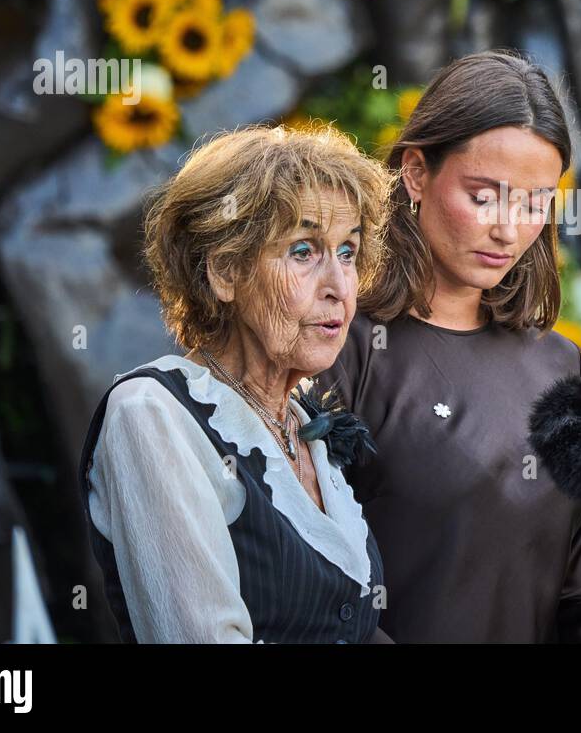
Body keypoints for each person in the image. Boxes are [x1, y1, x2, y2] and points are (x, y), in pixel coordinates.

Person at [317, 50, 581, 642]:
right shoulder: (339, 349)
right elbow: (308, 583)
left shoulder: (559, 365)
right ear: (415, 172)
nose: (509, 229)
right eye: (484, 196)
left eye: (536, 202)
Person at [78, 123, 391, 643]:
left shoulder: (301, 420)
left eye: (348, 252)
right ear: (224, 272)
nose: (338, 287)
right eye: (303, 251)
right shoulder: (151, 413)